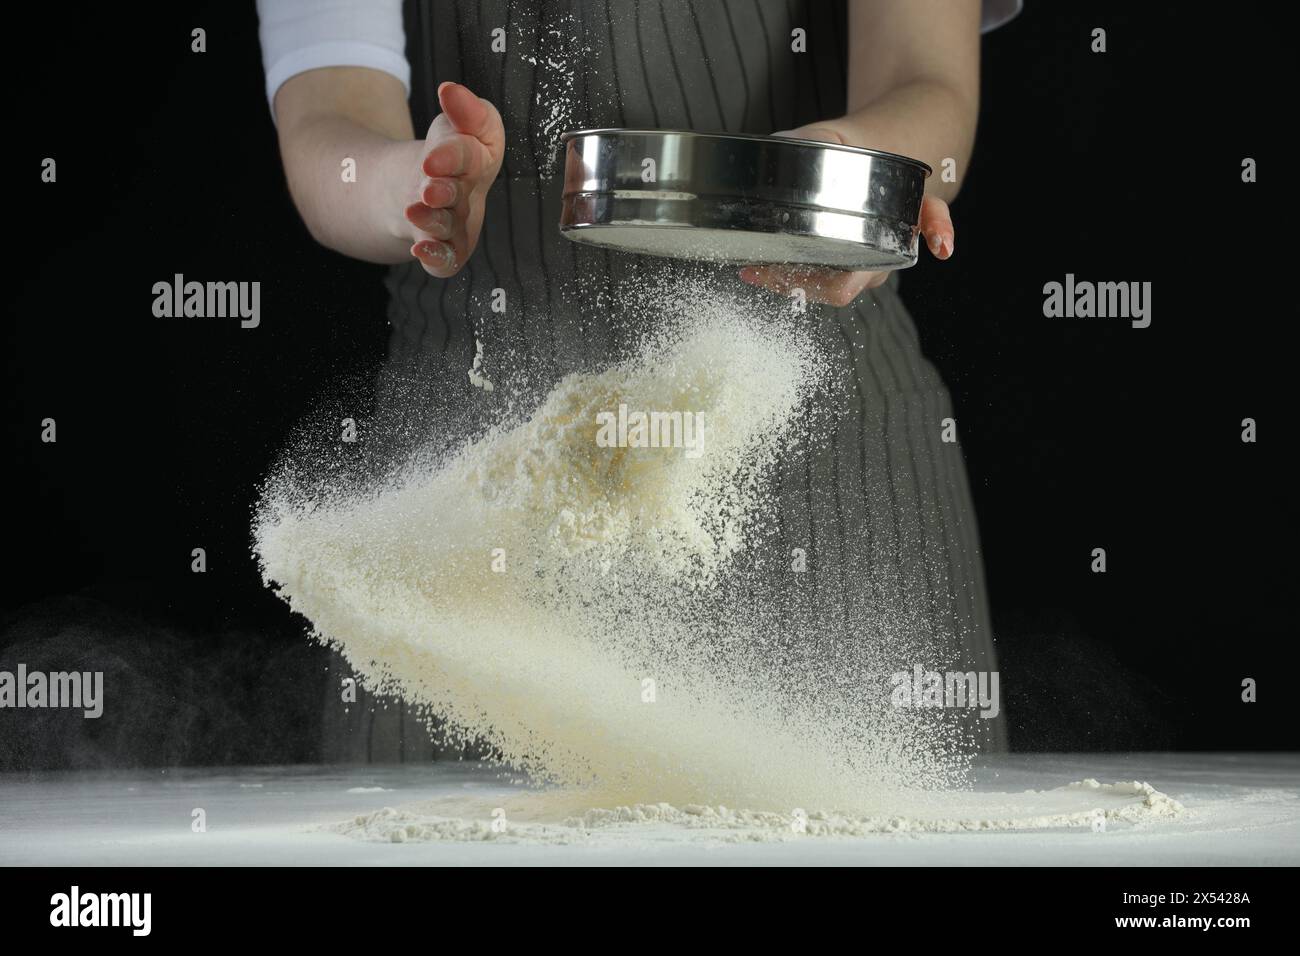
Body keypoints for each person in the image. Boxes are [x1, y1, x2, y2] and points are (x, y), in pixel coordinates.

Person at [258, 0, 1021, 760]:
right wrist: (415, 186)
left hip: (831, 470)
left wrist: (843, 173)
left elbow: (926, 78)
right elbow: (329, 119)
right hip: (471, 506)